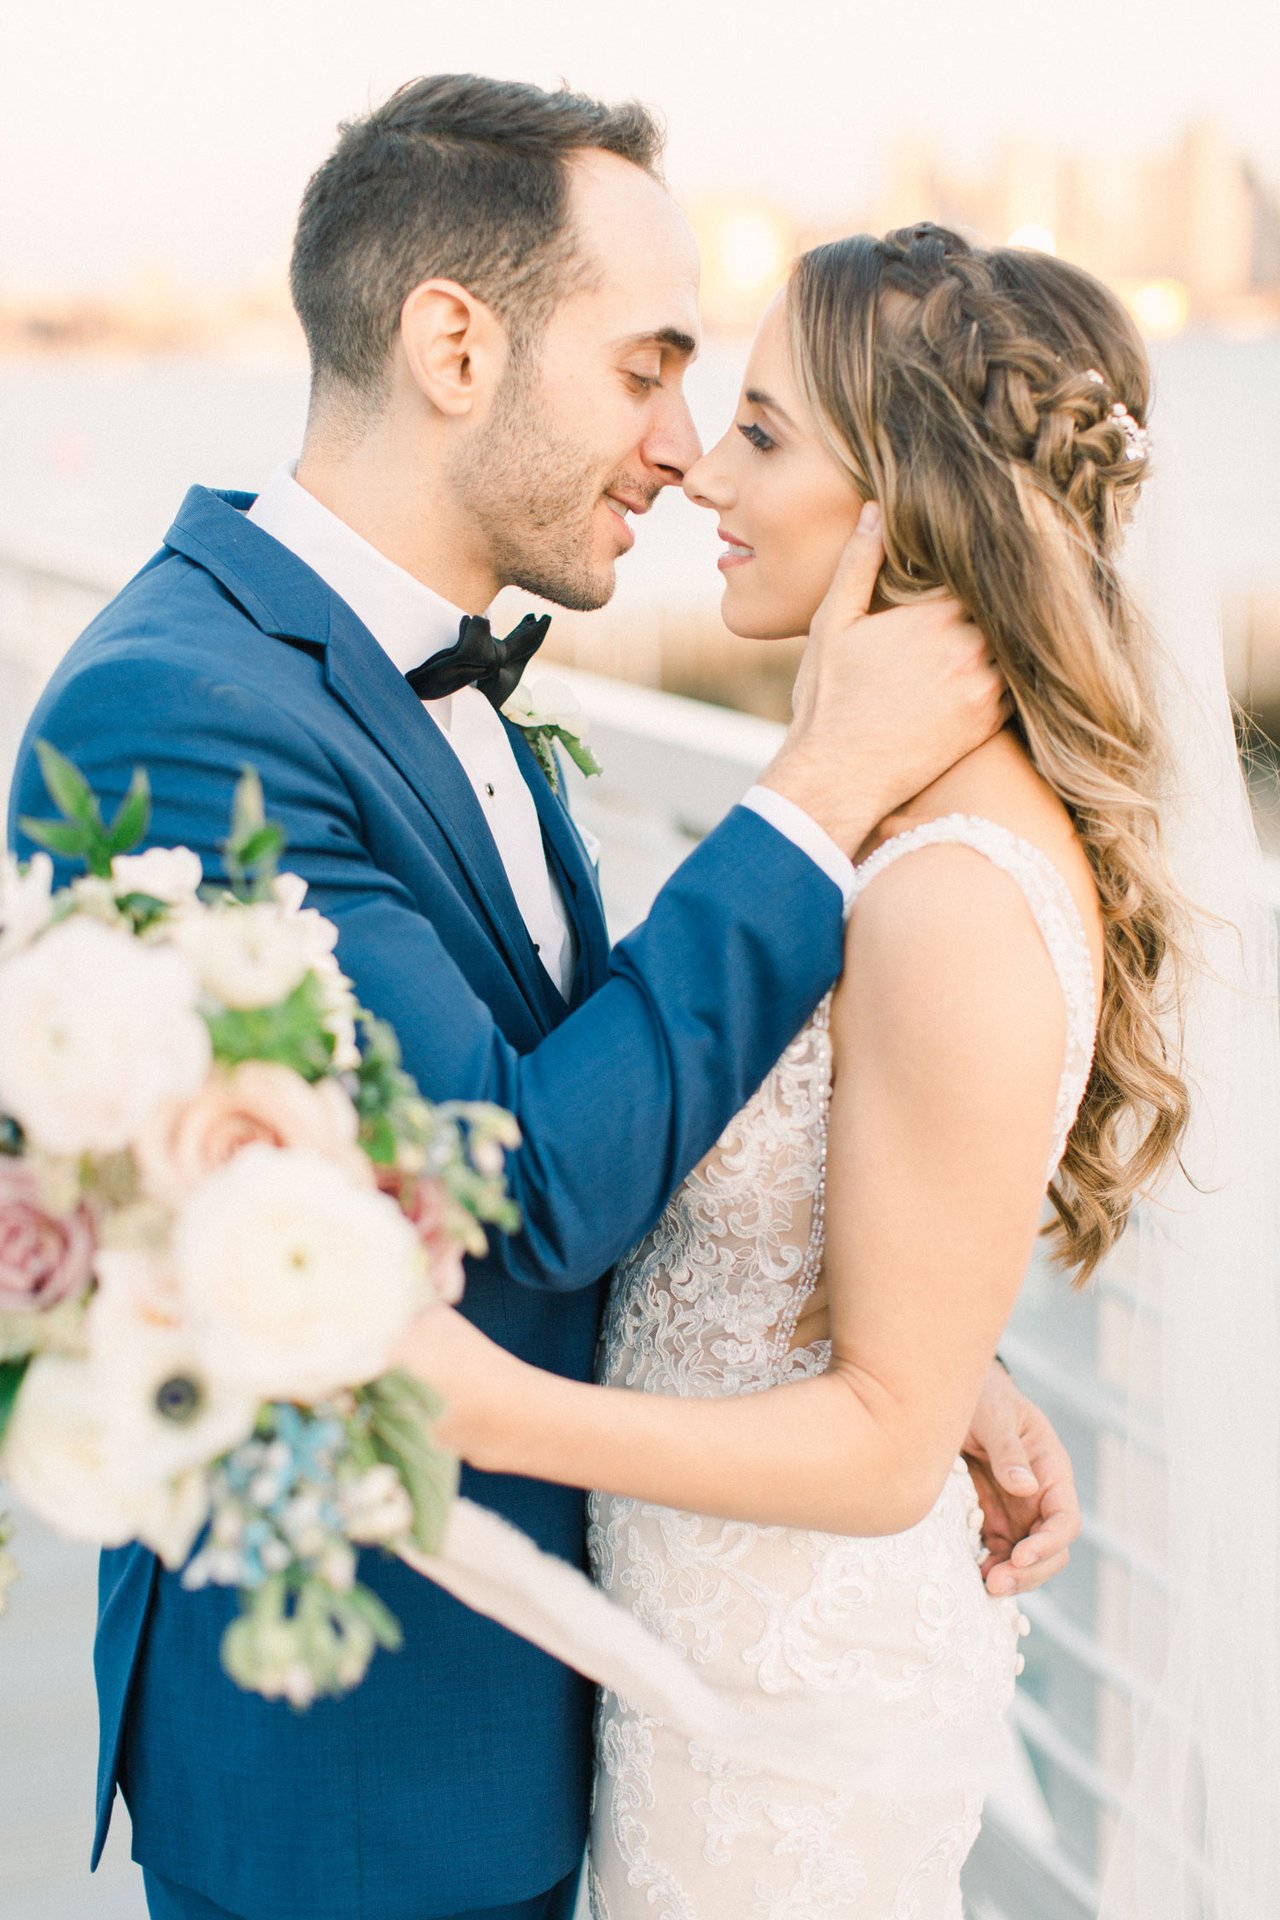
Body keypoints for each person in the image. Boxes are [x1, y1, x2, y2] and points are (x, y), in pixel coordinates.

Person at [7, 83, 1078, 1920]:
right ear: (452, 343)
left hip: (576, 1718)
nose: (679, 447)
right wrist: (814, 797)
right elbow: (520, 1180)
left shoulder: (442, 664)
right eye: (649, 368)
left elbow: (598, 1096)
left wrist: (884, 1307)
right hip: (361, 1779)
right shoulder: (179, 715)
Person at [395, 224, 1195, 1917]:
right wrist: (938, 1342)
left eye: (762, 431)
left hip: (793, 1738)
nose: (701, 476)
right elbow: (841, 1241)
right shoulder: (883, 825)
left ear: (905, 497)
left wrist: (485, 1407)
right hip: (705, 1679)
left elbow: (882, 1451)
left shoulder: (952, 891)